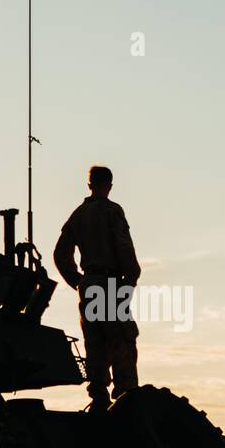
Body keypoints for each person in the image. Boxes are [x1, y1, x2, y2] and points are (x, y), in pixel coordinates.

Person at [53, 165, 141, 412]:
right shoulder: (112, 212)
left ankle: (99, 396)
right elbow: (124, 248)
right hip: (111, 284)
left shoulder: (78, 214)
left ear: (89, 184)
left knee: (95, 342)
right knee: (122, 339)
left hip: (89, 285)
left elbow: (60, 254)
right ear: (109, 185)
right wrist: (130, 279)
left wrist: (78, 281)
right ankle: (127, 397)